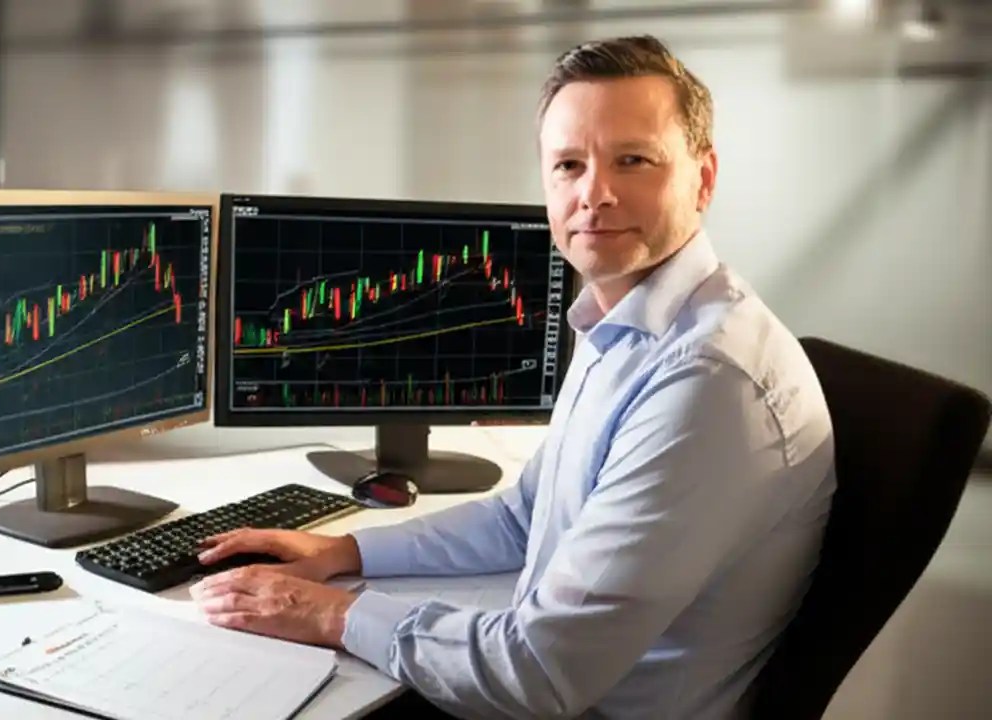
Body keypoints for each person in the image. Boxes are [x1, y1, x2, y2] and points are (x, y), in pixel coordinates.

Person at [190, 35, 835, 719]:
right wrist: (340, 550)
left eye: (633, 160)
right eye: (568, 165)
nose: (594, 194)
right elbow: (523, 517)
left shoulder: (706, 382)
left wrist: (331, 613)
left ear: (703, 179)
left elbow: (536, 673)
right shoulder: (625, 319)